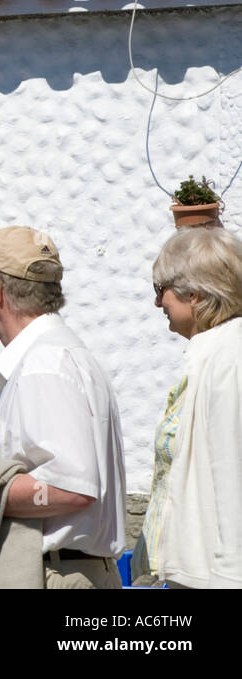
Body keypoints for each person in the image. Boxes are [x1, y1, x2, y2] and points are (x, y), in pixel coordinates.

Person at [0, 226, 127, 589]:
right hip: (59, 570)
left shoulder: (45, 364)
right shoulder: (54, 355)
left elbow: (71, 488)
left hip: (51, 575)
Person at [134, 227, 242, 588]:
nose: (156, 303)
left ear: (193, 293)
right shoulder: (212, 353)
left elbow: (233, 477)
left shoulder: (230, 358)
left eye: (159, 289)